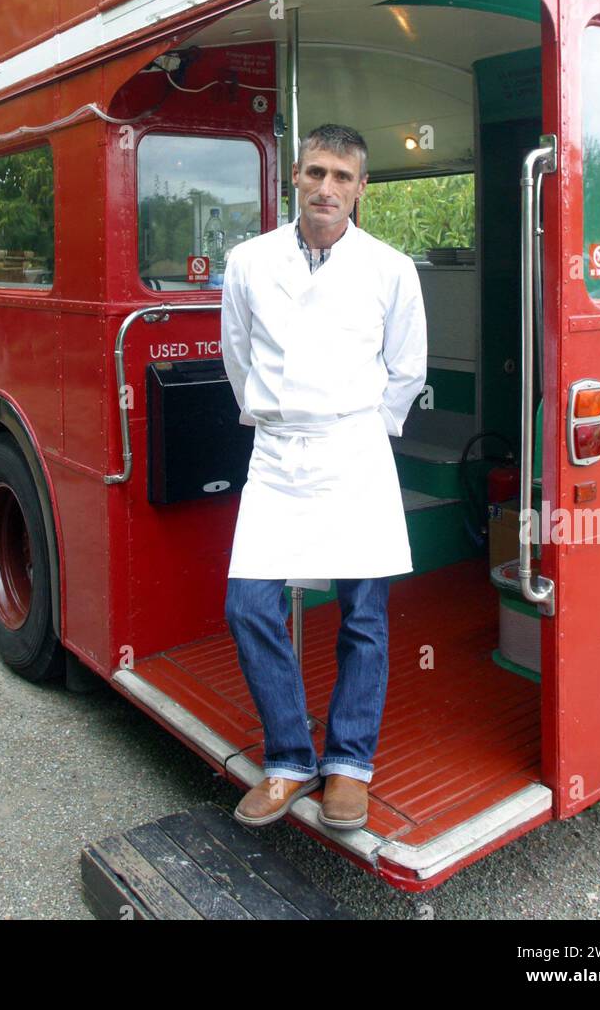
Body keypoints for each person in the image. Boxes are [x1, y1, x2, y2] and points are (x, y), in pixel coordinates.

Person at [221, 122, 428, 831]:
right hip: (277, 454)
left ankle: (348, 766)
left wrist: (364, 430)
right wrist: (274, 416)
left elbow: (406, 371)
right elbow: (237, 357)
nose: (326, 188)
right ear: (295, 179)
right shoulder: (247, 261)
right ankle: (288, 757)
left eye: (342, 176)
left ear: (362, 188)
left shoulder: (391, 269)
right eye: (315, 173)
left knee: (363, 617)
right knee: (249, 604)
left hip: (355, 452)